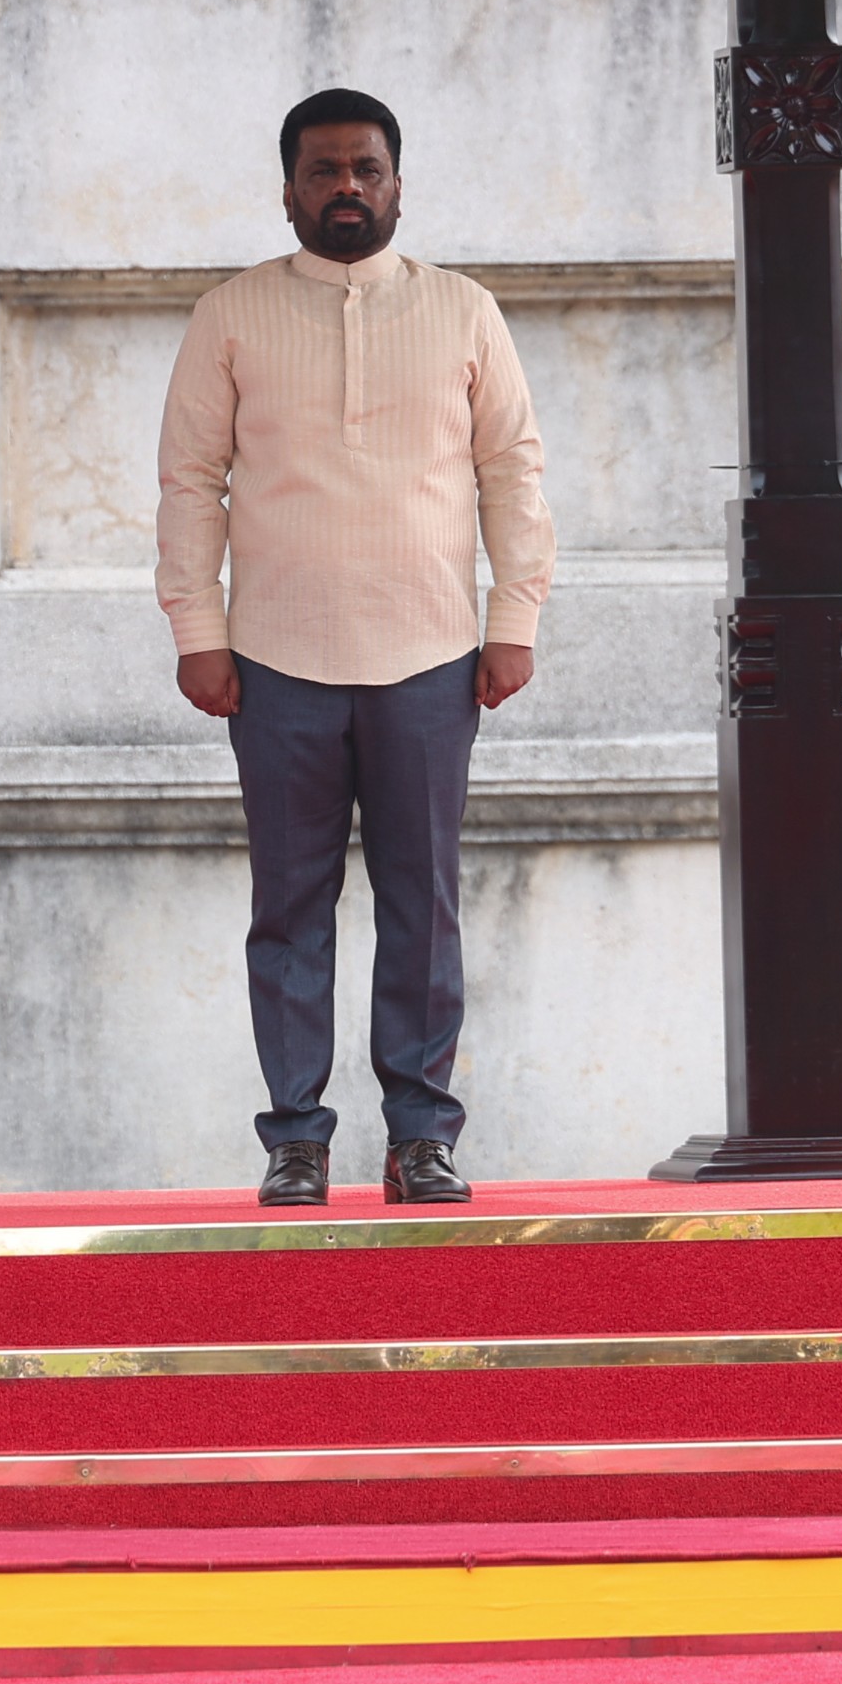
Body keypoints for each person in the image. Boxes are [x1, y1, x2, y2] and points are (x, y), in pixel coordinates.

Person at [156, 89, 553, 1210]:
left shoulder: (464, 310)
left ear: (397, 184)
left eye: (365, 169)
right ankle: (296, 1137)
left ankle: (421, 1134)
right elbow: (189, 481)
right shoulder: (230, 314)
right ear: (288, 189)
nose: (345, 188)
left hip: (431, 653)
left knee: (423, 905)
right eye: (323, 170)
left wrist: (514, 619)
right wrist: (197, 629)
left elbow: (512, 470)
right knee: (290, 907)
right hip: (274, 659)